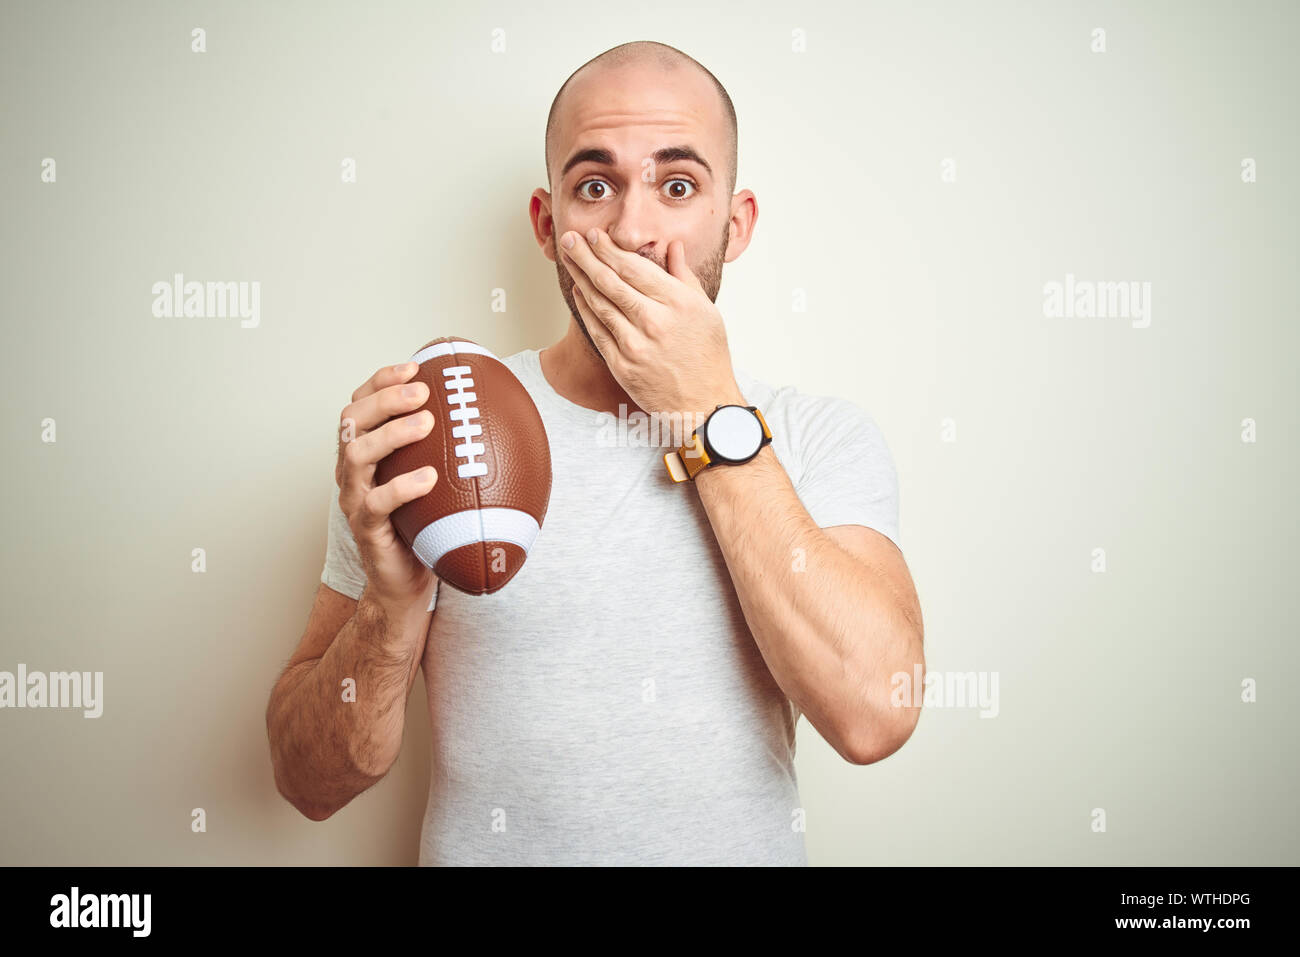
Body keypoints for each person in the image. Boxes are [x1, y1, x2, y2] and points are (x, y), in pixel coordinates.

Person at [266, 40, 925, 866]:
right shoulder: (436, 426)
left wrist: (705, 410)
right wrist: (389, 613)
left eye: (677, 185)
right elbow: (307, 781)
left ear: (737, 222)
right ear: (548, 225)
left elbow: (875, 716)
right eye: (595, 185)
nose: (631, 229)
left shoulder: (819, 435)